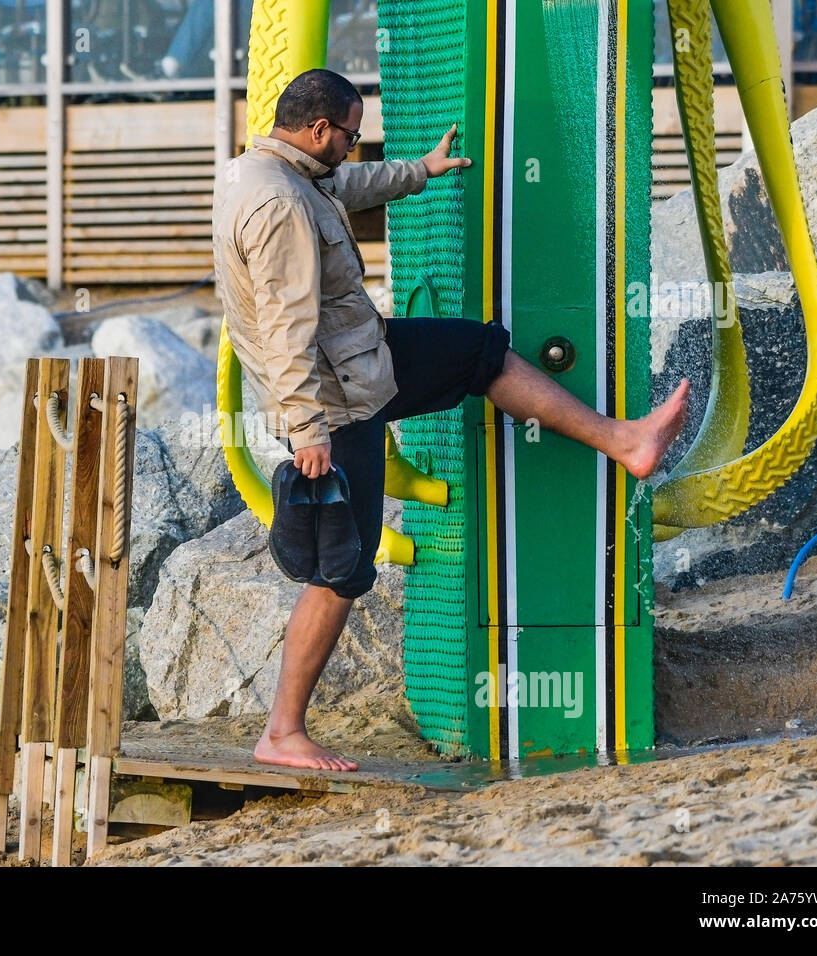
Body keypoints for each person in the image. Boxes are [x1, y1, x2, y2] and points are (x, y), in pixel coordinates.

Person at [211, 69, 691, 772]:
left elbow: (347, 188)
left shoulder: (270, 174)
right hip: (335, 398)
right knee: (341, 571)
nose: (352, 147)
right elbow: (286, 324)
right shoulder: (281, 204)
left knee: (478, 351)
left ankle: (625, 439)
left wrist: (422, 171)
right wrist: (308, 429)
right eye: (349, 134)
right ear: (319, 130)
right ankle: (282, 731)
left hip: (359, 362)